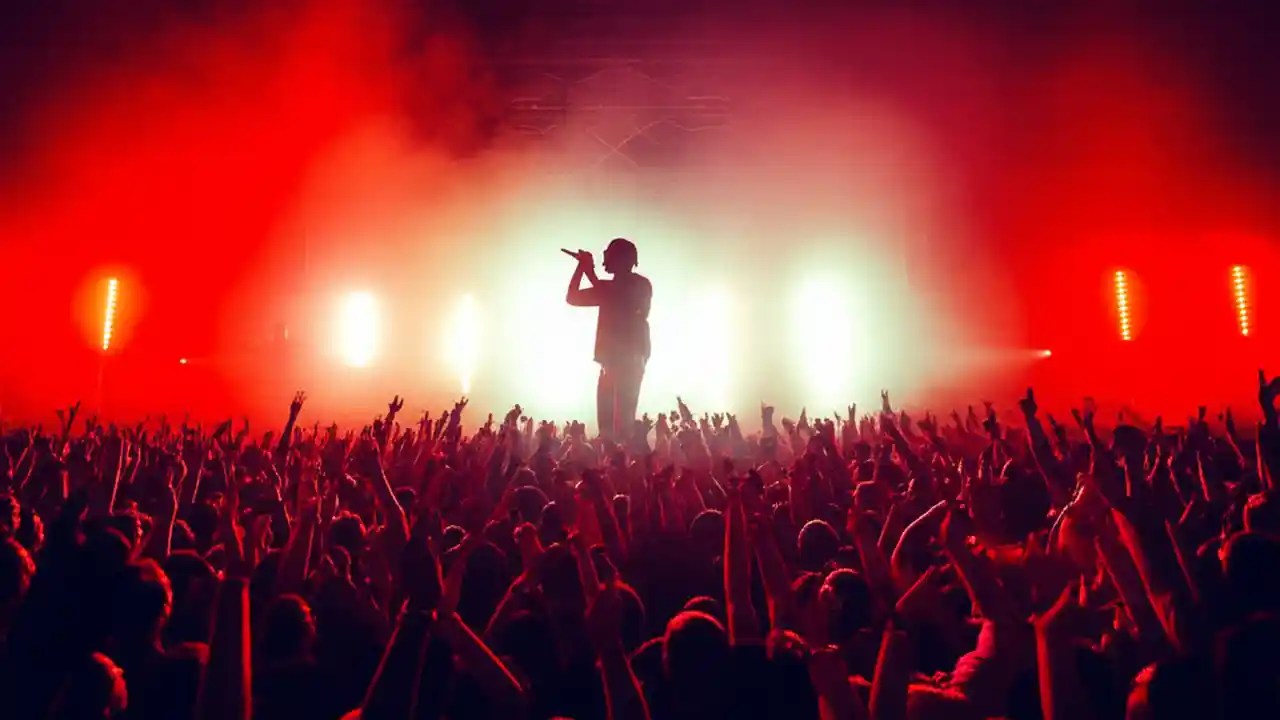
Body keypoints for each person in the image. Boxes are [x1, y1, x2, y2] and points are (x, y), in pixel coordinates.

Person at [564, 238, 652, 441]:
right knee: (606, 427)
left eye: (609, 253)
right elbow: (573, 297)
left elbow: (617, 299)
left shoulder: (639, 284)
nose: (604, 257)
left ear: (623, 259)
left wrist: (588, 270)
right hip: (610, 363)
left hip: (628, 361)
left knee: (621, 425)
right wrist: (582, 268)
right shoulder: (609, 288)